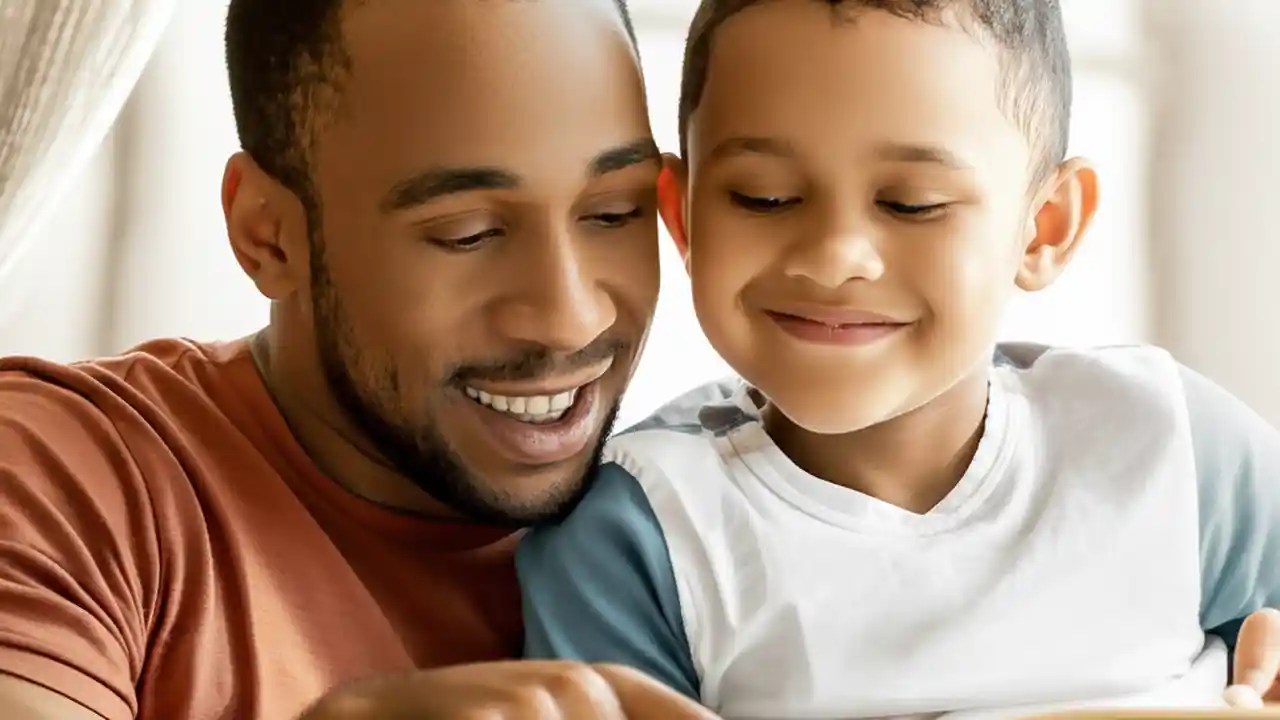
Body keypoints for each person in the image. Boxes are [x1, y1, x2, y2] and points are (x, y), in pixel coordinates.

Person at [518, 0, 1280, 717]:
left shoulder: (1173, 447)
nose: (833, 258)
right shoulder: (636, 535)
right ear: (684, 217)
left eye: (911, 203)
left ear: (1042, 227)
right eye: (765, 198)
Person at [0, 0, 714, 718]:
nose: (569, 319)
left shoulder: (713, 532)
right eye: (467, 233)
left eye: (613, 214)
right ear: (268, 237)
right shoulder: (60, 485)